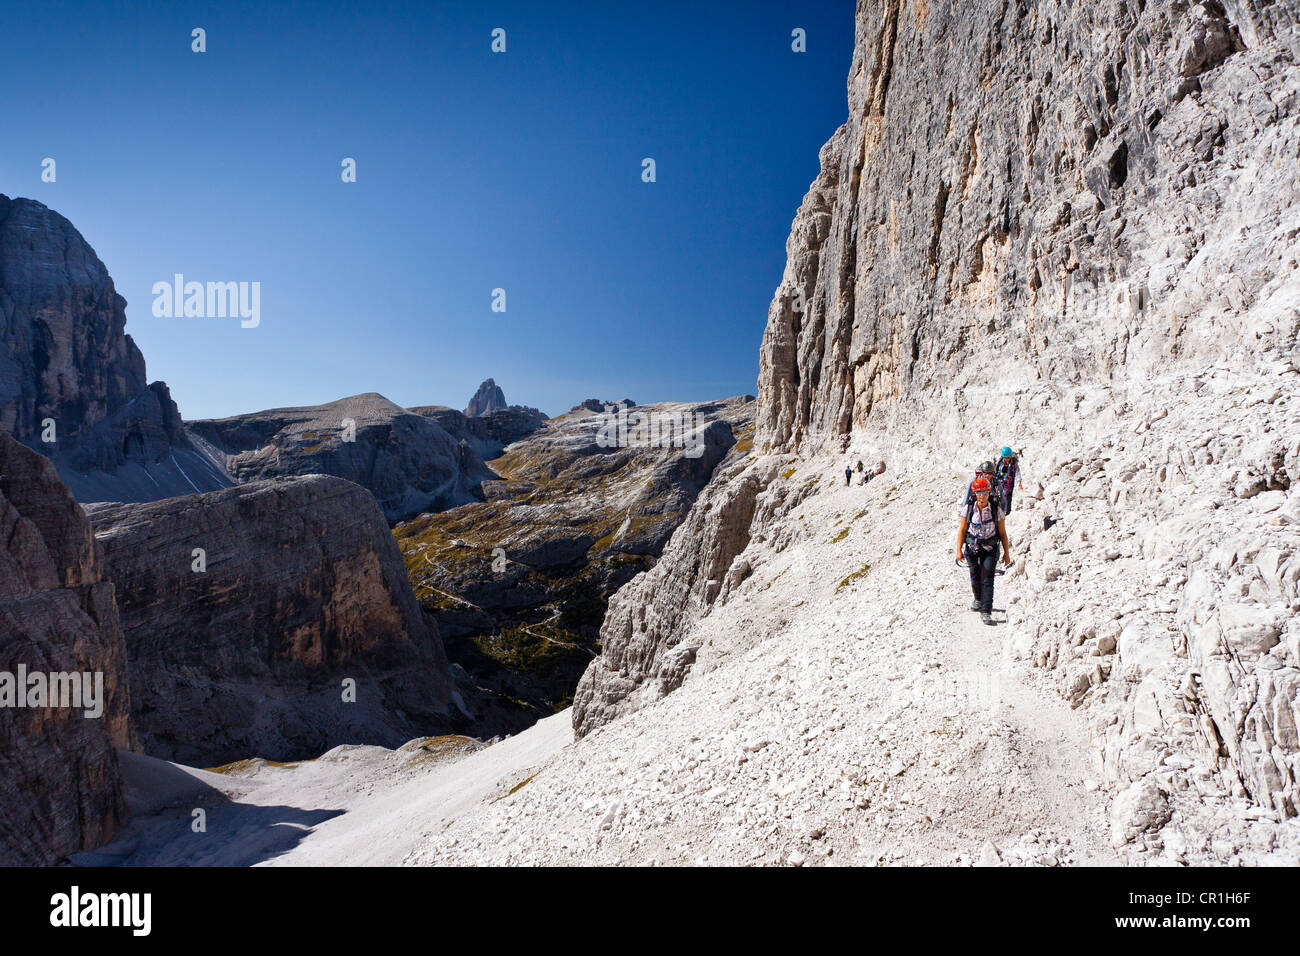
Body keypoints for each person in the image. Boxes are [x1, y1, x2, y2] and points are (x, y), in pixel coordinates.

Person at [955, 476, 1011, 625]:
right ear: (975, 493)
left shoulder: (995, 508)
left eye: (985, 492)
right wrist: (958, 550)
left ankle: (986, 611)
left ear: (989, 492)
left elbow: (1003, 533)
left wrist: (1006, 553)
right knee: (975, 575)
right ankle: (978, 599)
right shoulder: (968, 508)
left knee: (987, 579)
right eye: (979, 492)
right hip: (972, 547)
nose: (982, 495)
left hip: (990, 547)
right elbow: (962, 530)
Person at [996, 446, 1024, 511]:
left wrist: (1019, 484)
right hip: (1000, 481)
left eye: (1008, 457)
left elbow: (1017, 473)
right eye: (1005, 458)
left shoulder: (1014, 463)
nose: (1007, 459)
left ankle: (1006, 510)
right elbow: (996, 470)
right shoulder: (1000, 462)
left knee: (1007, 496)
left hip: (1009, 483)